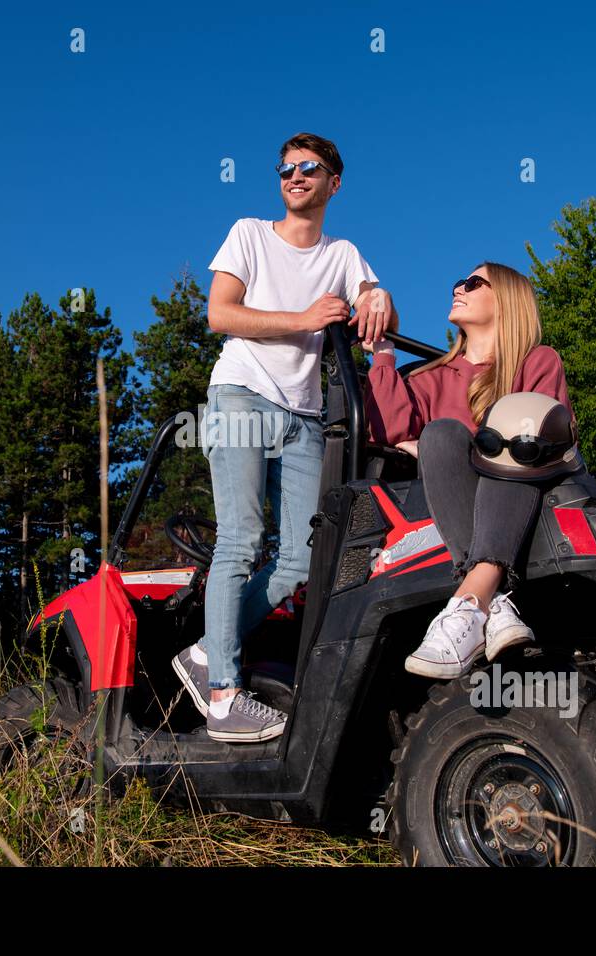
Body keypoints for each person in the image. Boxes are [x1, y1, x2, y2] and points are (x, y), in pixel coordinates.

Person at [172, 132, 398, 742]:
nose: (295, 176)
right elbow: (220, 313)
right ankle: (223, 697)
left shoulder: (343, 253)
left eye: (309, 168)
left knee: (301, 559)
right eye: (286, 168)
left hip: (301, 416)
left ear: (334, 182)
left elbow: (381, 318)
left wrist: (378, 294)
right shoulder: (248, 232)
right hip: (241, 395)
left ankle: (205, 653)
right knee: (241, 540)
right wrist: (302, 321)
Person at [364, 262, 580, 679]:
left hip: (528, 488)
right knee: (442, 433)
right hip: (455, 501)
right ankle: (491, 602)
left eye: (474, 282)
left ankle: (469, 604)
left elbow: (541, 441)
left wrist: (473, 444)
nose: (459, 287)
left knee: (516, 437)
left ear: (507, 301)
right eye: (459, 281)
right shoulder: (433, 378)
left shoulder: (538, 362)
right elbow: (388, 429)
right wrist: (384, 353)